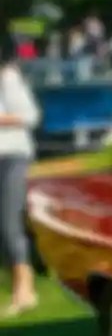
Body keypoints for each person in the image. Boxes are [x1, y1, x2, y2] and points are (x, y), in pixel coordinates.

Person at [0, 34, 41, 318]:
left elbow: (30, 116)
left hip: (11, 155)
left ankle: (25, 292)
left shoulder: (8, 78)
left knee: (9, 224)